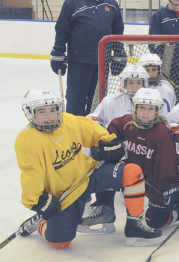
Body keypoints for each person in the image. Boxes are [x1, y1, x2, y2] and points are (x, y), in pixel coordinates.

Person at [15, 89, 128, 249]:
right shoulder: (27, 141)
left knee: (131, 172)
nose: (49, 116)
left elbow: (92, 130)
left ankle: (135, 226)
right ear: (30, 113)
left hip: (89, 175)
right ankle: (42, 223)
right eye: (42, 112)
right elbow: (30, 175)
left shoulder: (68, 121)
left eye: (53, 110)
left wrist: (108, 142)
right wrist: (39, 201)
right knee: (60, 242)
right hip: (65, 195)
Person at [107, 88, 179, 245]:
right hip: (133, 179)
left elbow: (167, 163)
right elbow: (114, 127)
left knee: (154, 220)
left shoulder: (161, 133)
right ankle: (103, 207)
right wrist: (110, 144)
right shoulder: (128, 123)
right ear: (135, 108)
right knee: (105, 167)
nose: (145, 113)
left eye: (150, 109)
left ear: (157, 111)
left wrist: (169, 186)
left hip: (156, 183)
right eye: (142, 107)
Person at [50, 0, 124, 115]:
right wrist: (58, 52)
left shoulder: (112, 5)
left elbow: (117, 32)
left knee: (96, 103)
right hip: (79, 63)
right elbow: (62, 29)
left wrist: (119, 53)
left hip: (102, 64)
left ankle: (92, 134)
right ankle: (74, 133)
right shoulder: (73, 2)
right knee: (76, 101)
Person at [91, 64, 148, 128]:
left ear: (145, 84)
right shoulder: (110, 101)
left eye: (139, 83)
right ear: (123, 84)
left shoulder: (151, 102)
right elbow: (94, 118)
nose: (135, 86)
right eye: (131, 83)